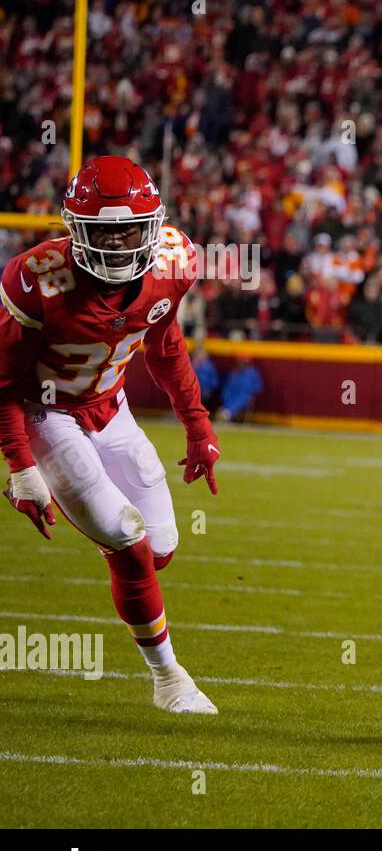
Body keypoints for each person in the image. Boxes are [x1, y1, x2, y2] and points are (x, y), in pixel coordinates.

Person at [0, 156, 220, 713]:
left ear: (154, 225)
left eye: (130, 228)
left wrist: (198, 426)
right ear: (76, 229)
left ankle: (118, 550)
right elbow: (2, 382)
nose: (119, 241)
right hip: (46, 412)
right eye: (104, 230)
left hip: (111, 407)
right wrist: (22, 467)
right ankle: (169, 679)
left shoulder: (174, 260)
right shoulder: (38, 280)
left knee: (160, 547)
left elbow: (165, 346)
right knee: (128, 543)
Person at [218, 355, 263, 422]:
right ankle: (225, 412)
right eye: (240, 361)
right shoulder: (234, 372)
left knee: (242, 397)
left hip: (244, 393)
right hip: (231, 392)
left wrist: (252, 391)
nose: (241, 363)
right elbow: (228, 384)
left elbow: (258, 386)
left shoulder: (253, 373)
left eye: (243, 361)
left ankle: (227, 413)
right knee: (226, 394)